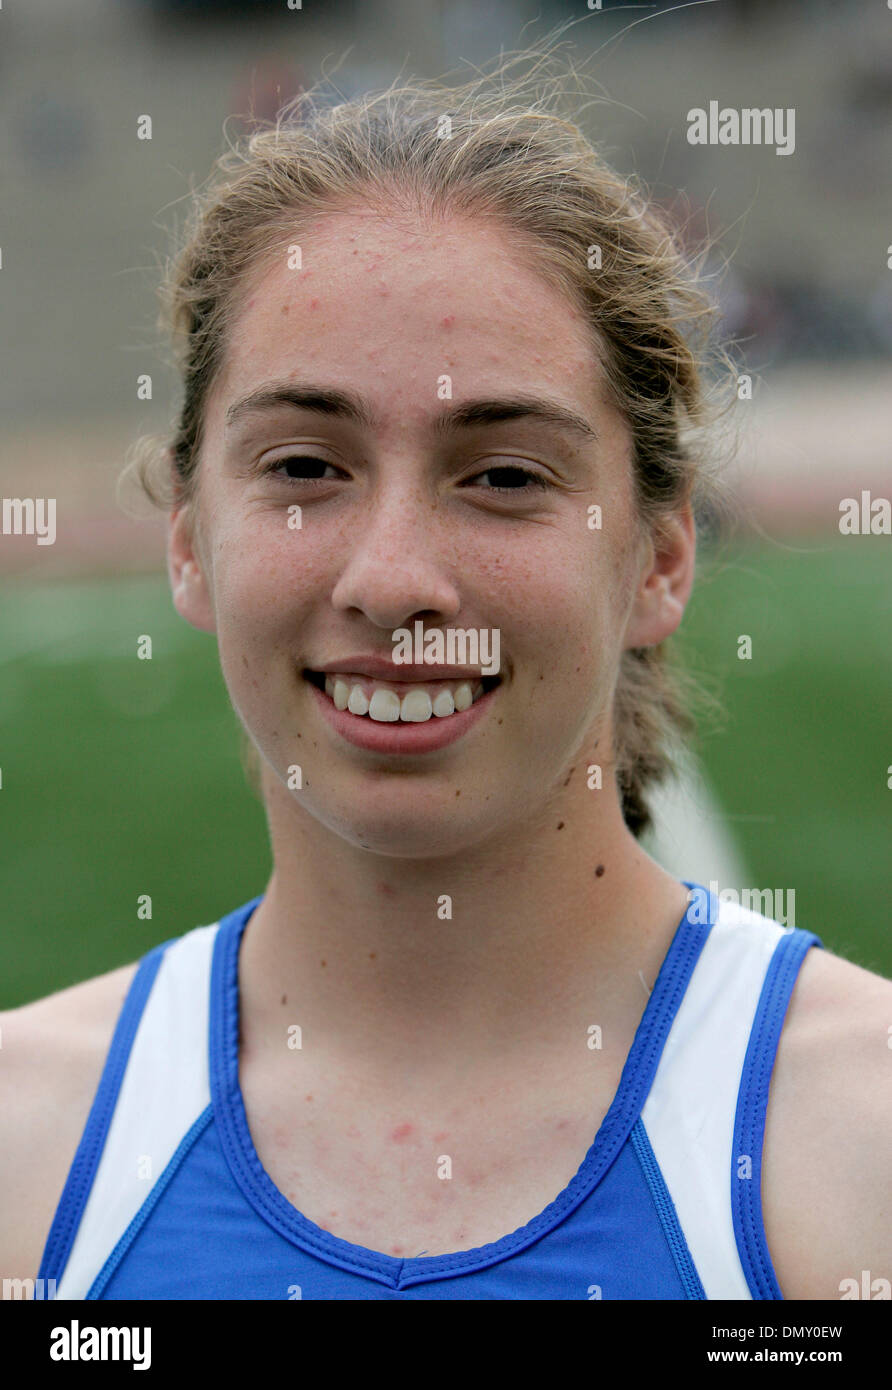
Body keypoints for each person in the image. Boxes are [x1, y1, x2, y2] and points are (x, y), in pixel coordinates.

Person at [2, 47, 890, 1302]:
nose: (393, 576)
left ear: (661, 553)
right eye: (305, 466)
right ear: (189, 536)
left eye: (506, 475)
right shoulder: (26, 1160)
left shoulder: (861, 1149)